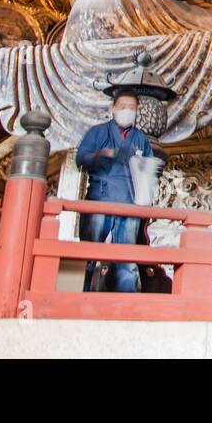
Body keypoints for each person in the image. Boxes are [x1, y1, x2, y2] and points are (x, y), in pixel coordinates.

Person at [75, 91, 156, 292]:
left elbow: (149, 168)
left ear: (137, 112)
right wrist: (103, 155)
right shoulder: (98, 132)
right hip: (100, 197)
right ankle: (80, 297)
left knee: (127, 259)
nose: (127, 111)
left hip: (129, 203)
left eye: (132, 108)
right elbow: (81, 159)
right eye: (122, 107)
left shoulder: (140, 139)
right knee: (89, 254)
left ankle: (125, 304)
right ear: (113, 109)